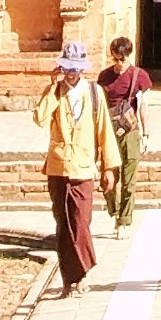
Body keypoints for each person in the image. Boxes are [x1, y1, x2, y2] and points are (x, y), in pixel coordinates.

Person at [32, 42, 103, 293]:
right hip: (58, 166)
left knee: (80, 222)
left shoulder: (94, 93)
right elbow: (39, 118)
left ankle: (82, 270)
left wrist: (109, 167)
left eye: (75, 69)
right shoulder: (55, 92)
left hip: (83, 166)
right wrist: (52, 88)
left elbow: (104, 131)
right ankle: (68, 280)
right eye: (67, 69)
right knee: (63, 224)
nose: (71, 74)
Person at [96, 36, 150, 224]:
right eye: (115, 59)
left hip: (130, 130)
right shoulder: (104, 76)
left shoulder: (139, 75)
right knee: (108, 178)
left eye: (122, 59)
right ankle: (115, 210)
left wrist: (146, 133)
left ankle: (124, 219)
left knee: (129, 179)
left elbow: (143, 106)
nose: (119, 64)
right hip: (109, 129)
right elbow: (99, 104)